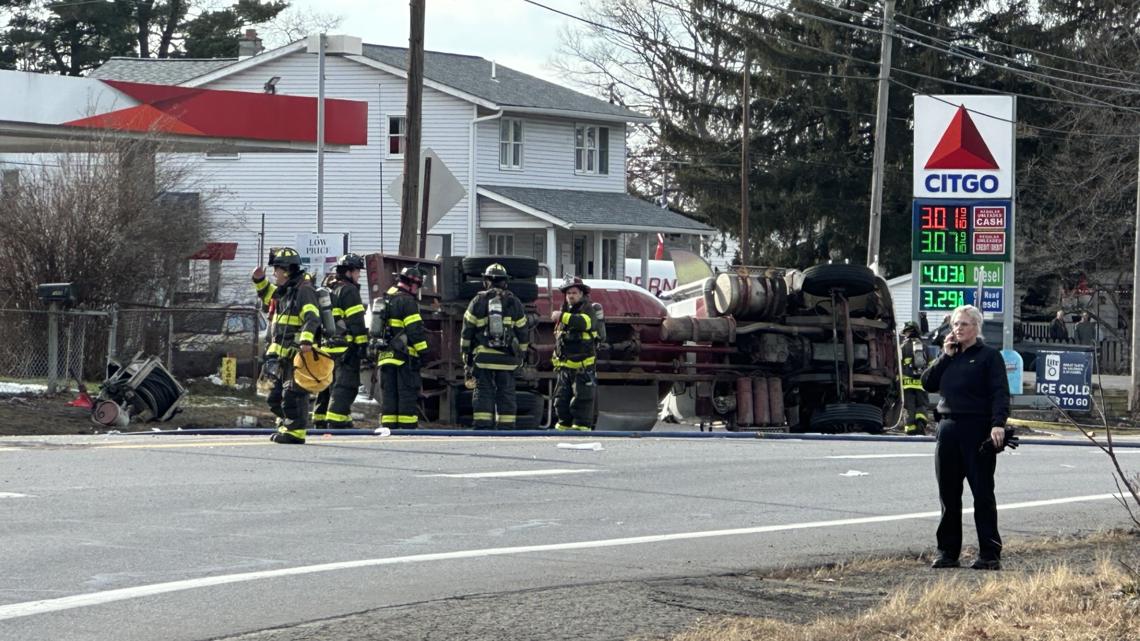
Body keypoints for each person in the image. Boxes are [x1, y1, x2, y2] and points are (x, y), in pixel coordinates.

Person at [921, 304, 1011, 571]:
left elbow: (1000, 393)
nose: (958, 329)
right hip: (948, 428)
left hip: (977, 428)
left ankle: (989, 553)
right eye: (955, 325)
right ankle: (947, 552)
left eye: (964, 325)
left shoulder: (989, 357)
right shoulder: (949, 355)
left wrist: (998, 425)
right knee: (948, 494)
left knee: (982, 493)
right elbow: (927, 383)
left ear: (976, 328)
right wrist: (944, 357)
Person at [252, 247, 322, 444]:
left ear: (287, 270)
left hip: (297, 353)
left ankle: (295, 432)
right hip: (282, 355)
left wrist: (306, 341)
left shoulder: (304, 290)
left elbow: (312, 317)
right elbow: (269, 296)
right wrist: (259, 280)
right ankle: (286, 424)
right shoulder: (287, 290)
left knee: (293, 395)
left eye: (276, 270)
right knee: (274, 397)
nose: (274, 274)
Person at [460, 263, 529, 429]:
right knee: (506, 392)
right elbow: (523, 333)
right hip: (507, 360)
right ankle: (506, 428)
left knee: (483, 391)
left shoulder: (478, 301)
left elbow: (467, 331)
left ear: (486, 281)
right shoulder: (514, 302)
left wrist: (465, 355)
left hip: (483, 358)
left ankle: (482, 426)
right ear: (505, 282)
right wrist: (522, 356)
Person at [312, 253, 368, 429]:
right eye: (358, 271)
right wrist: (362, 345)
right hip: (345, 348)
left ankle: (321, 419)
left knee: (326, 386)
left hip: (326, 348)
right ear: (350, 272)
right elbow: (356, 321)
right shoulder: (349, 290)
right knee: (346, 386)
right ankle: (336, 420)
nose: (359, 276)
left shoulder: (327, 289)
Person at [373, 267, 429, 429]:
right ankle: (407, 426)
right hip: (404, 356)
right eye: (417, 286)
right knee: (406, 391)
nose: (417, 290)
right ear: (412, 283)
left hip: (385, 355)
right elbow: (415, 331)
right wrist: (423, 352)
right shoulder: (407, 302)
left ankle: (389, 424)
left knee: (389, 392)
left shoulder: (386, 299)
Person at [552, 276, 606, 431]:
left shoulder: (587, 308)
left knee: (582, 399)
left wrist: (562, 316)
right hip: (564, 368)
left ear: (581, 294)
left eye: (574, 292)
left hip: (582, 367)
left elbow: (585, 323)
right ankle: (563, 427)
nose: (570, 295)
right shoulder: (566, 310)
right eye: (568, 292)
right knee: (561, 400)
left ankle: (581, 429)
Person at [899, 321, 931, 436]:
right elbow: (931, 364)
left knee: (909, 406)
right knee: (921, 405)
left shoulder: (902, 347)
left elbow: (898, 365)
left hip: (907, 384)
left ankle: (910, 428)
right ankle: (921, 423)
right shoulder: (924, 346)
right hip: (921, 383)